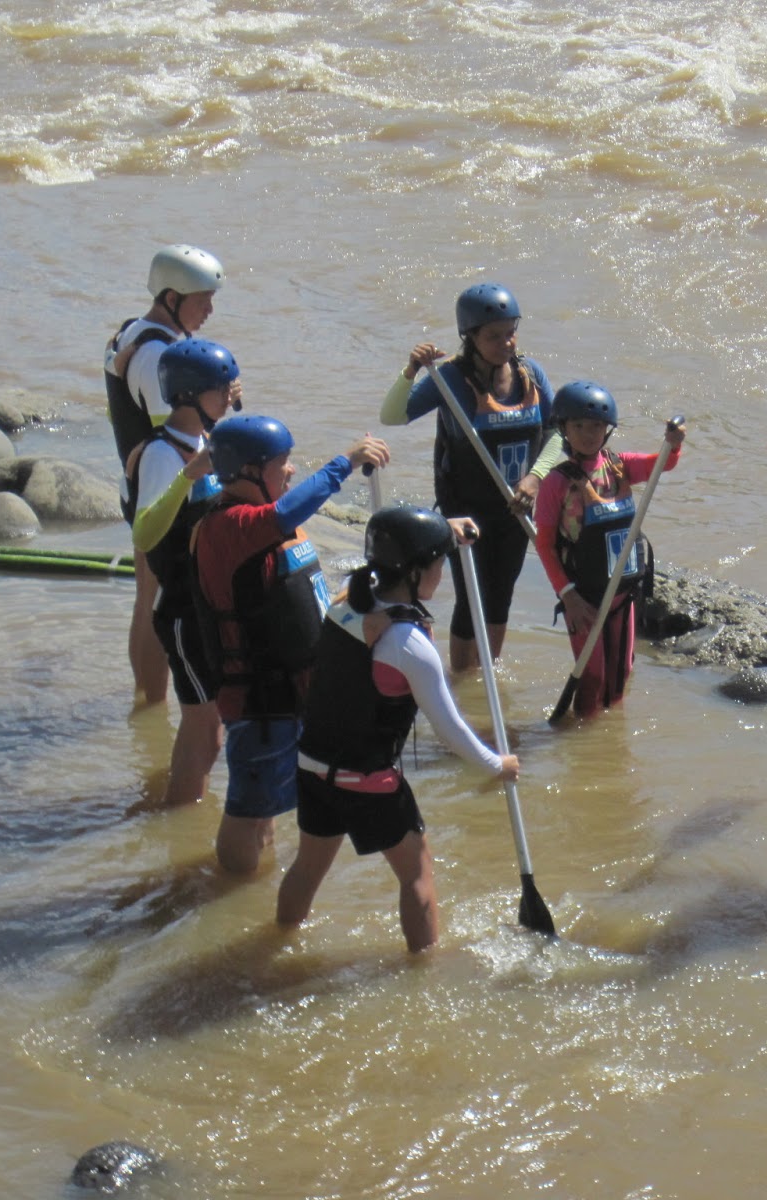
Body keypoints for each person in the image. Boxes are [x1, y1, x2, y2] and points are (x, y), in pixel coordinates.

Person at [280, 505, 522, 952]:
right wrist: (496, 765)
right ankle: (423, 973)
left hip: (312, 767)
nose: (442, 575)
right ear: (414, 572)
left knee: (307, 869)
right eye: (437, 565)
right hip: (368, 781)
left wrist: (444, 535)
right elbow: (450, 730)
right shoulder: (409, 644)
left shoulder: (344, 603)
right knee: (417, 873)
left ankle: (277, 942)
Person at [192, 414, 390, 874]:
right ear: (248, 472)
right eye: (282, 463)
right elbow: (286, 511)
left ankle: (257, 887)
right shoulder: (233, 525)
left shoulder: (270, 526)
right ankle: (227, 903)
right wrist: (346, 461)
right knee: (247, 812)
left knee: (268, 811)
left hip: (292, 692)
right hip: (257, 700)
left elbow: (300, 596)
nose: (291, 471)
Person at [378, 282, 562, 673]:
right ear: (471, 337)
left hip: (516, 507)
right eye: (494, 336)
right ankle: (463, 680)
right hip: (466, 509)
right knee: (471, 598)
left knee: (501, 596)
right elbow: (393, 415)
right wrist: (410, 371)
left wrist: (535, 478)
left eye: (511, 332)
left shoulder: (531, 374)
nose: (506, 342)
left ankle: (487, 675)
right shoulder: (450, 380)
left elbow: (556, 433)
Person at [104, 243, 228, 704]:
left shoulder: (135, 333)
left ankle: (149, 700)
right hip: (157, 489)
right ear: (172, 298)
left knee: (147, 598)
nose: (210, 310)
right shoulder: (158, 356)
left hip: (140, 483)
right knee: (155, 601)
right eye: (202, 300)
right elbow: (178, 430)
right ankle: (151, 704)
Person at [122, 338, 234, 809]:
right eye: (221, 391)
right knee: (205, 730)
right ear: (188, 396)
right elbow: (147, 534)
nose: (230, 397)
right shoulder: (164, 454)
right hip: (183, 606)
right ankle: (177, 823)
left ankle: (184, 812)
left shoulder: (205, 439)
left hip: (208, 601)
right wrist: (191, 476)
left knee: (213, 728)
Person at [533, 381, 685, 718]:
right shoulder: (556, 483)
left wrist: (673, 445)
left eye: (597, 426)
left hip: (622, 594)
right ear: (564, 429)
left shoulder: (620, 466)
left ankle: (609, 740)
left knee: (621, 674)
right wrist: (568, 595)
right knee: (592, 676)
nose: (589, 434)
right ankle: (583, 739)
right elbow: (544, 545)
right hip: (583, 598)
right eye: (579, 426)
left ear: (608, 429)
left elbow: (663, 463)